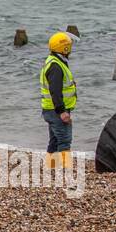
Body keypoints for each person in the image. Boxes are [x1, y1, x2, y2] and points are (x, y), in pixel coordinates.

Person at [39, 32, 78, 169]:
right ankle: (66, 168)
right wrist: (62, 112)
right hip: (56, 110)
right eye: (69, 46)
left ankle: (51, 166)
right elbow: (55, 91)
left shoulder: (53, 61)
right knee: (64, 140)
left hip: (50, 109)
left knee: (55, 140)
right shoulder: (56, 66)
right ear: (64, 48)